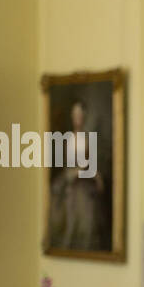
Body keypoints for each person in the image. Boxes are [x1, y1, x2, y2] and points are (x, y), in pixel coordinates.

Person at [47, 99, 108, 252]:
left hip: (85, 179)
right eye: (75, 115)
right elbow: (66, 167)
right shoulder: (67, 139)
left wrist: (95, 175)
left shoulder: (89, 139)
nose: (77, 118)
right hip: (70, 179)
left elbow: (91, 165)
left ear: (84, 117)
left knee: (88, 206)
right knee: (66, 200)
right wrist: (74, 172)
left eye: (80, 115)